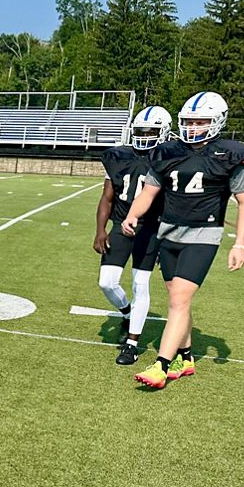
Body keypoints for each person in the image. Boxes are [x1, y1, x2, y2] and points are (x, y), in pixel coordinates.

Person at [123, 91, 244, 389]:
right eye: (189, 121)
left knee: (179, 299)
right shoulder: (168, 151)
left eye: (201, 121)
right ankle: (186, 356)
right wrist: (132, 214)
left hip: (203, 234)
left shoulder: (228, 154)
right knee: (178, 299)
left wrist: (240, 243)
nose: (193, 127)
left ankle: (161, 365)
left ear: (217, 121)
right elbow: (149, 192)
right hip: (168, 232)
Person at [94, 106, 170, 365]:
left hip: (150, 228)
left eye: (151, 131)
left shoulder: (169, 157)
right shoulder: (118, 155)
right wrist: (100, 230)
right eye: (140, 131)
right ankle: (127, 312)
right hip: (121, 224)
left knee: (140, 284)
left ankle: (132, 343)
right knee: (107, 282)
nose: (145, 135)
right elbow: (107, 198)